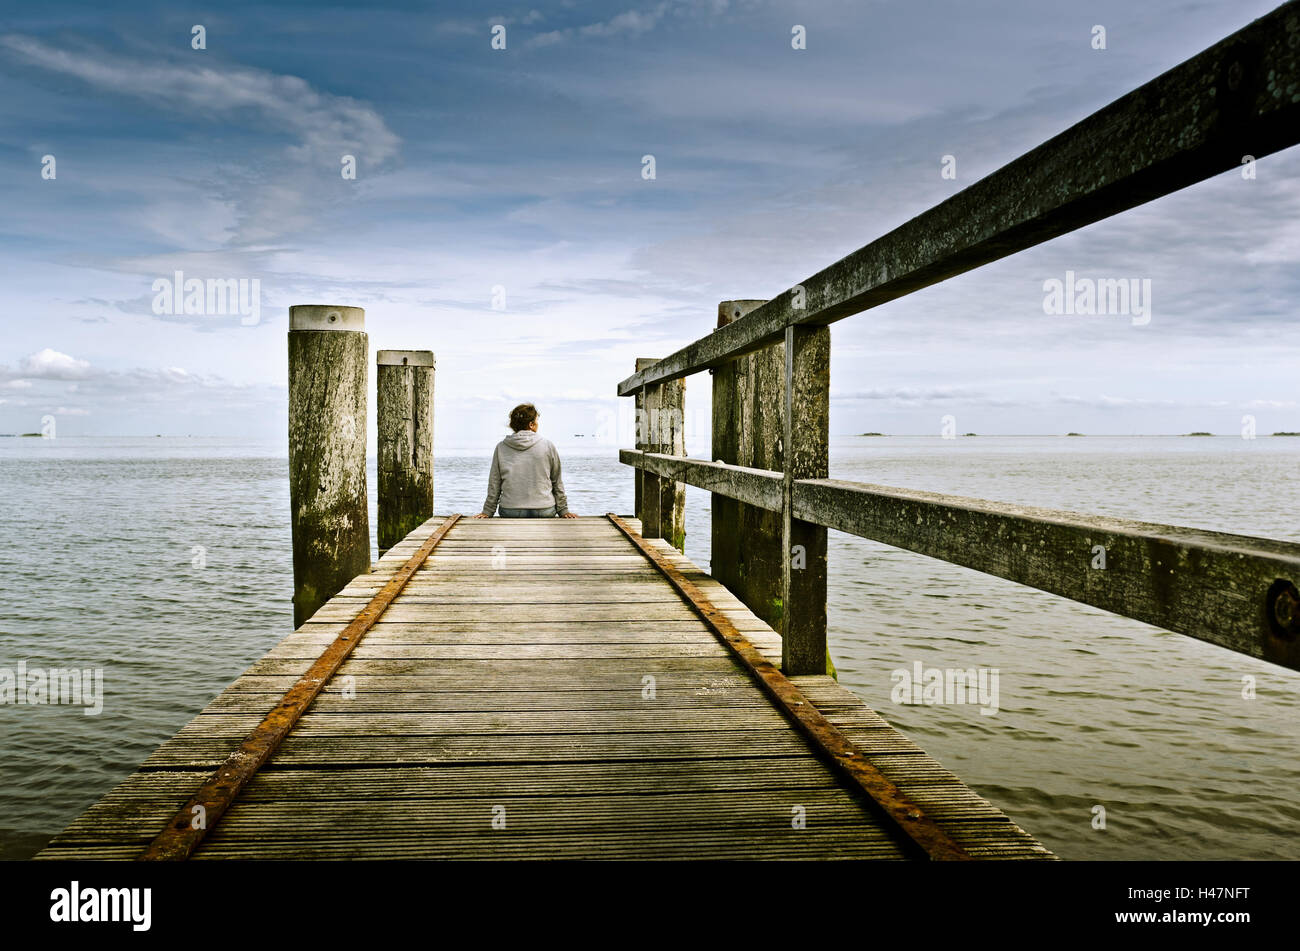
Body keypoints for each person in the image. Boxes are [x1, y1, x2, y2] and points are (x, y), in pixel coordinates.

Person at [472, 403, 579, 518]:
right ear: (531, 424)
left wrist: (487, 511)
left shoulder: (501, 447)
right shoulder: (547, 445)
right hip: (544, 509)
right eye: (536, 421)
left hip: (510, 510)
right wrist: (563, 510)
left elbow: (494, 483)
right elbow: (556, 481)